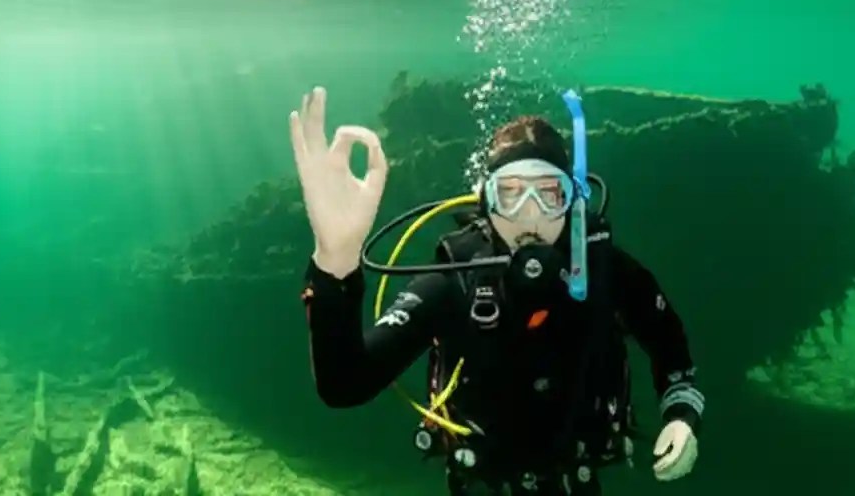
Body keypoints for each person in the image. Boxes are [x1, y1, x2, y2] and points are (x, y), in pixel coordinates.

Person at [291, 86, 703, 495]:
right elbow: (345, 383)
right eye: (510, 194)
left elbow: (669, 345)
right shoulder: (454, 279)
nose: (529, 216)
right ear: (486, 201)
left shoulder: (604, 269)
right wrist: (334, 263)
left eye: (549, 194)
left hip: (577, 472)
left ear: (573, 198)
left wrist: (682, 414)